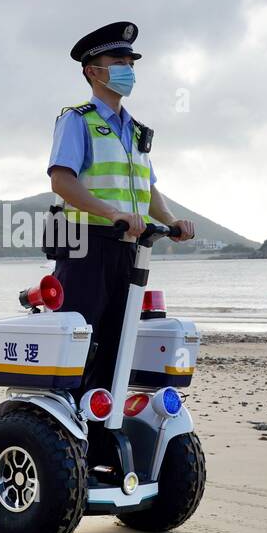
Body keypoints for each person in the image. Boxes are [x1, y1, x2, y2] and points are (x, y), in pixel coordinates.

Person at [47, 21, 194, 410]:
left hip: (128, 248)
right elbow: (62, 181)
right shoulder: (78, 121)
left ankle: (102, 426)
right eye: (118, 60)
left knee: (119, 340)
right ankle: (66, 423)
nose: (127, 68)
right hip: (85, 246)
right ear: (92, 71)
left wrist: (173, 221)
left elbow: (148, 190)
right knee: (82, 339)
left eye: (131, 61)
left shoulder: (136, 132)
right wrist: (114, 213)